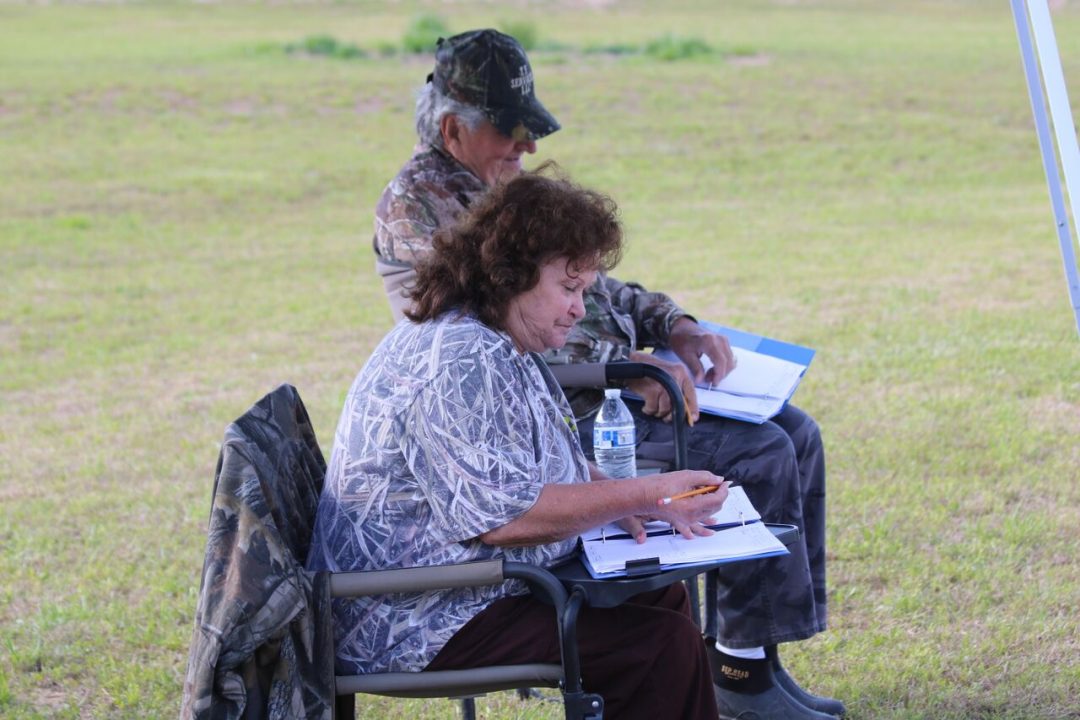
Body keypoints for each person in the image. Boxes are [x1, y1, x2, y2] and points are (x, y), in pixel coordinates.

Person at [370, 28, 844, 720]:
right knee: (753, 466)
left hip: (485, 530)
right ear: (453, 129)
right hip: (430, 601)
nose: (527, 146)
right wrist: (622, 395)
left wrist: (672, 325)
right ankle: (739, 675)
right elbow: (503, 506)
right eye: (510, 130)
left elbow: (591, 292)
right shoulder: (453, 311)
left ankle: (750, 662)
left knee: (780, 446)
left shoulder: (501, 236)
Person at [312, 167, 730, 720]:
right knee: (656, 646)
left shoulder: (494, 338)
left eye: (584, 290)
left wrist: (632, 500)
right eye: (569, 289)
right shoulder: (461, 359)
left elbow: (526, 465)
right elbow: (507, 517)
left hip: (463, 587)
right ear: (510, 275)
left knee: (659, 596)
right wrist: (647, 493)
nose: (580, 309)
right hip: (412, 615)